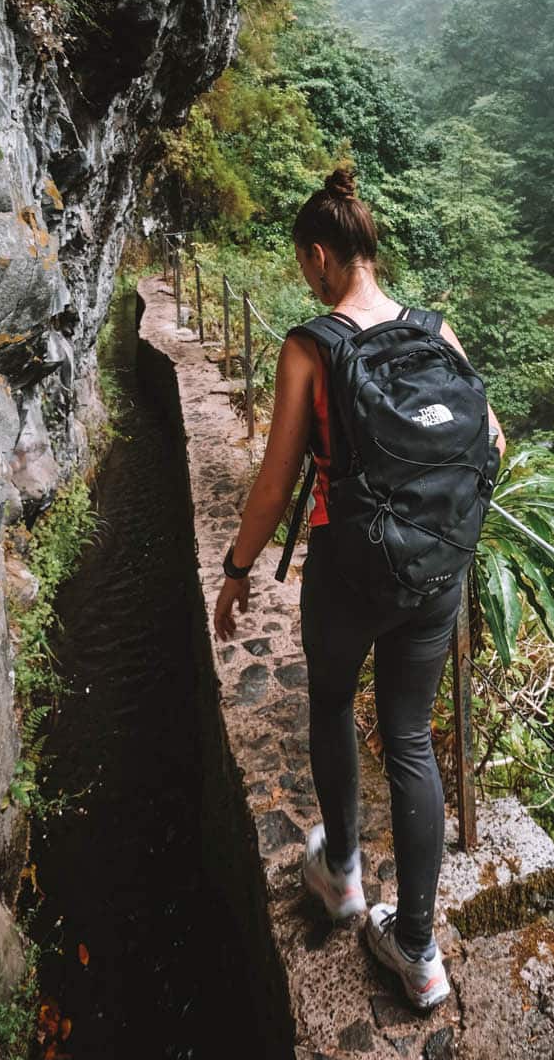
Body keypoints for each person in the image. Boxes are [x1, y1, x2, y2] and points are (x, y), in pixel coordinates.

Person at [212, 167, 506, 1010]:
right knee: (409, 738)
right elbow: (490, 441)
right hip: (435, 575)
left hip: (348, 571)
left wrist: (236, 572)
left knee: (334, 703)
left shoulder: (311, 346)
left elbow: (275, 483)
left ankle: (340, 874)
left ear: (318, 257)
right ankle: (416, 950)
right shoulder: (435, 332)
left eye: (305, 266)